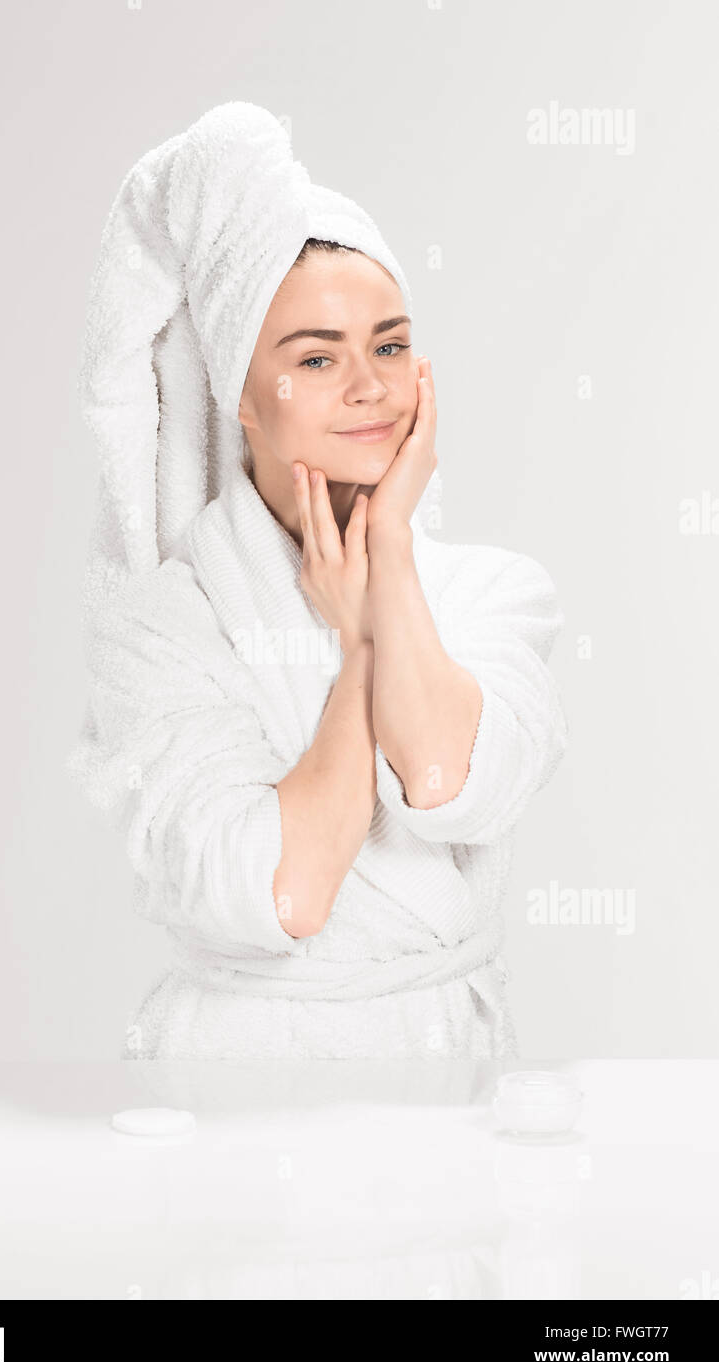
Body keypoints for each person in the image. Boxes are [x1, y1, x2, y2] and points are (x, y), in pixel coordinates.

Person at [67, 103, 568, 1060]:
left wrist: (387, 565)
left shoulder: (498, 595)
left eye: (387, 346)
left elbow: (450, 780)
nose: (369, 386)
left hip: (444, 1069)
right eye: (315, 358)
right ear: (240, 394)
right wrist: (365, 652)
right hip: (239, 1074)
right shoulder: (166, 626)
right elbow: (283, 891)